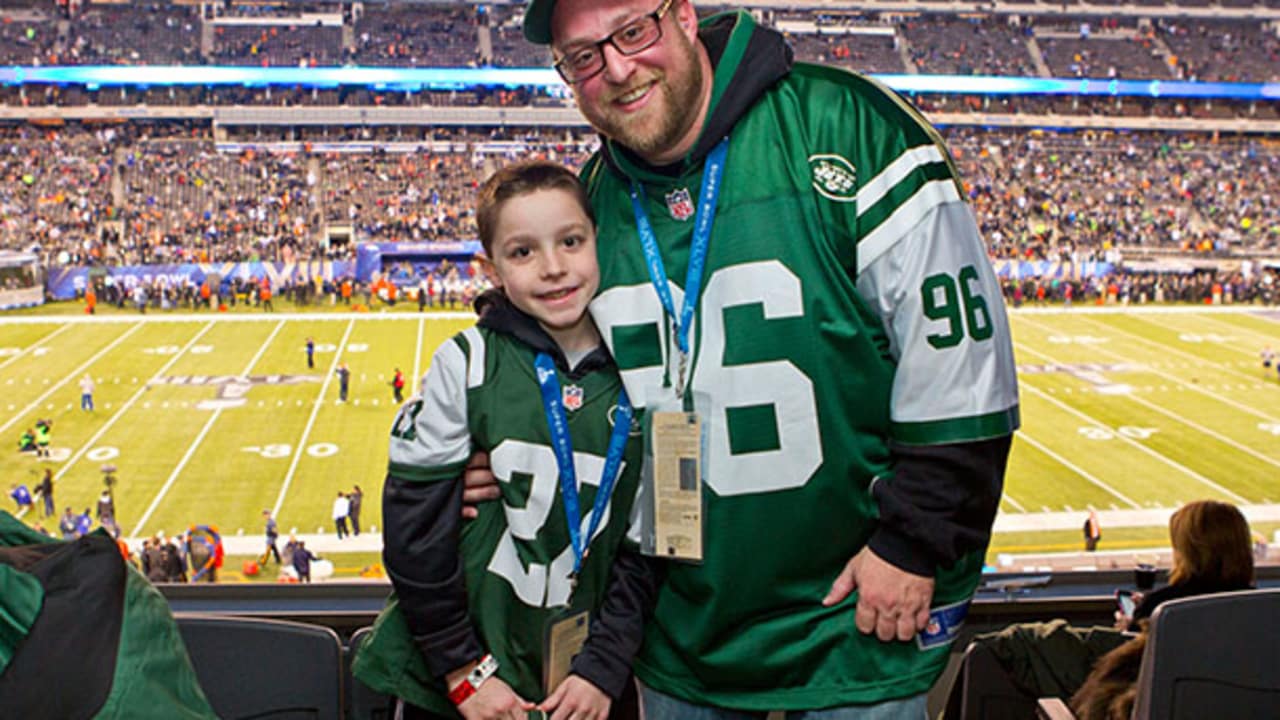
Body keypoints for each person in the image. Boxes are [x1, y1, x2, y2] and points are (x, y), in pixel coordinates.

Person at [493, 2, 1021, 715]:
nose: (616, 69)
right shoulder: (590, 199)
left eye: (632, 31)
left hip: (856, 619)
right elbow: (544, 357)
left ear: (681, 13)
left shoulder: (845, 129)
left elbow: (963, 366)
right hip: (679, 632)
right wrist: (481, 446)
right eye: (583, 57)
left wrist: (913, 543)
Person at [355, 162, 650, 720]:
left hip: (585, 679)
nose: (554, 267)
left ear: (597, 240)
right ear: (490, 268)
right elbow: (416, 540)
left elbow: (650, 546)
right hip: (461, 677)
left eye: (570, 241)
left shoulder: (645, 367)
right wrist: (464, 672)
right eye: (523, 252)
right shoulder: (467, 363)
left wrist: (603, 668)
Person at [1118, 499, 1255, 632]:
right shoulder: (1261, 604)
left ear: (1187, 551)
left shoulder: (1161, 608)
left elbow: (1137, 654)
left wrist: (1127, 631)